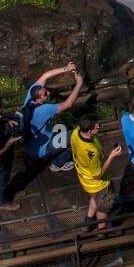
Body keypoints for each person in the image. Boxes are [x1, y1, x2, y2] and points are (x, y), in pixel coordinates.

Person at [8, 62, 84, 197]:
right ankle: (57, 163)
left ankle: (45, 157)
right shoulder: (44, 109)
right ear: (38, 100)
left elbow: (45, 75)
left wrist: (66, 68)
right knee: (76, 135)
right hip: (43, 148)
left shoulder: (29, 99)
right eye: (45, 94)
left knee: (62, 127)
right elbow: (68, 104)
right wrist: (78, 83)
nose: (48, 93)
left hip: (32, 144)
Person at [70, 116, 122, 230]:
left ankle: (88, 223)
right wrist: (111, 157)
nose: (99, 127)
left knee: (96, 198)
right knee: (103, 207)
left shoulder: (76, 132)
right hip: (98, 185)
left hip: (87, 180)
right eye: (97, 127)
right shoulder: (90, 153)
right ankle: (101, 231)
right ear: (89, 131)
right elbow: (98, 175)